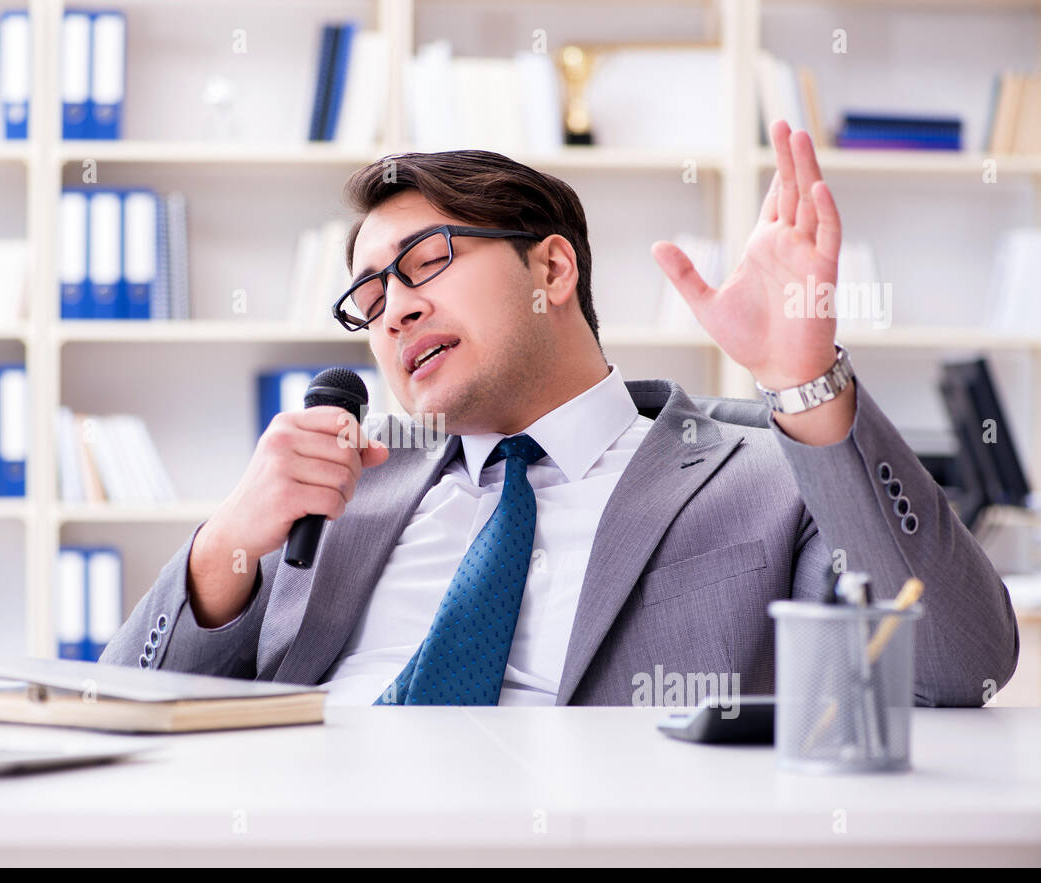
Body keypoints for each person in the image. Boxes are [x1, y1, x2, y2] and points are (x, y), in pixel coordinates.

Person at [99, 122, 1019, 707]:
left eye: (424, 262)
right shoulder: (335, 503)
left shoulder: (763, 476)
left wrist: (805, 380)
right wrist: (226, 547)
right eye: (370, 299)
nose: (397, 312)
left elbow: (959, 665)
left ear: (551, 270)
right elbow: (121, 712)